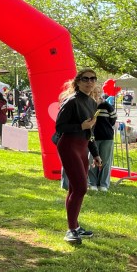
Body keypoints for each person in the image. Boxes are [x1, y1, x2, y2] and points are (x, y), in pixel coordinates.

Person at [55, 69, 102, 245]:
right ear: (78, 82)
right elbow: (59, 127)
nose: (89, 82)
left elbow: (90, 131)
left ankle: (74, 226)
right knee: (81, 188)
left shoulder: (92, 102)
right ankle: (71, 230)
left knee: (75, 188)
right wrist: (80, 126)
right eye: (85, 79)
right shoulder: (72, 101)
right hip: (69, 145)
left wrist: (95, 153)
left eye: (93, 79)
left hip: (82, 146)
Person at [88, 93, 117, 192]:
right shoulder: (89, 105)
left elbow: (113, 119)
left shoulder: (106, 106)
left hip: (107, 137)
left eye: (98, 94)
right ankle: (92, 183)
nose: (97, 97)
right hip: (92, 137)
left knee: (105, 161)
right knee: (92, 160)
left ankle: (103, 184)